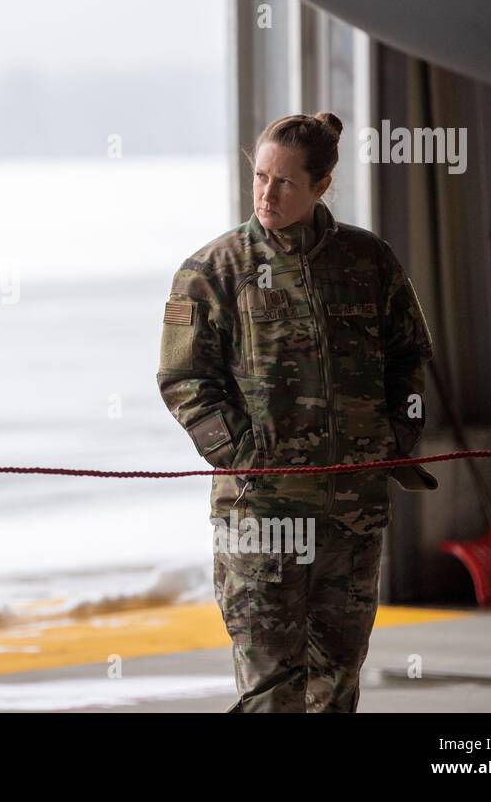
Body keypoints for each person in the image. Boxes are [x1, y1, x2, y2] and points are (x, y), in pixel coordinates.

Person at [157, 111, 436, 712]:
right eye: (259, 176)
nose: (267, 193)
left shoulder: (369, 262)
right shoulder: (214, 271)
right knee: (270, 691)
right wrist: (243, 456)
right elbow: (184, 380)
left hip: (352, 517)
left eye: (285, 182)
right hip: (261, 518)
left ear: (321, 186)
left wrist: (395, 434)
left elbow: (409, 357)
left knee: (336, 682)